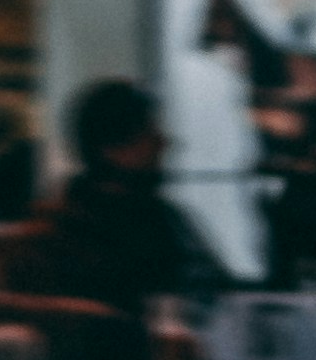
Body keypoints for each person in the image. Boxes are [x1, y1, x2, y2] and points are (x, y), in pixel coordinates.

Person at [28, 78, 235, 324]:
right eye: (149, 133)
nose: (164, 143)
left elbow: (223, 290)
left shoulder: (166, 216)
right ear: (110, 148)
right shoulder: (66, 227)